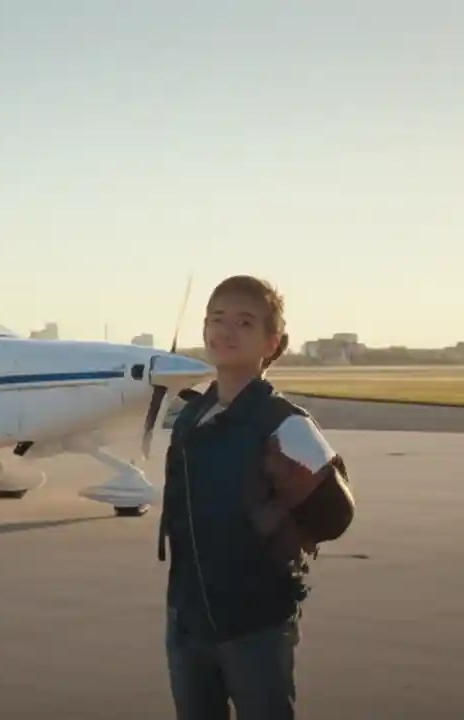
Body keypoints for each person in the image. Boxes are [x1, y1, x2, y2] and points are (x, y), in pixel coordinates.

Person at [158, 275, 355, 719]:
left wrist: (276, 529)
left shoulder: (285, 423)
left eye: (244, 323)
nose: (225, 331)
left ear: (272, 343)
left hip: (256, 624)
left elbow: (335, 515)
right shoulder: (191, 417)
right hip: (188, 619)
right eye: (216, 319)